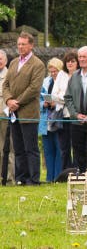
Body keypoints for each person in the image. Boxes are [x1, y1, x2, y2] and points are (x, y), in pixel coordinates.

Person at [3, 32, 46, 185]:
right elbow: (6, 84)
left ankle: (33, 179)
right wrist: (8, 100)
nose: (20, 47)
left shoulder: (38, 64)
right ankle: (21, 178)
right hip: (13, 113)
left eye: (23, 44)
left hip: (28, 112)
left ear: (31, 45)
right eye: (19, 44)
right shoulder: (14, 62)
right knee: (18, 148)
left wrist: (18, 102)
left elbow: (34, 88)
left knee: (31, 148)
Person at [41, 58, 68, 182]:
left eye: (55, 71)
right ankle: (49, 177)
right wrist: (44, 104)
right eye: (51, 71)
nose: (53, 74)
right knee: (48, 150)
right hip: (46, 118)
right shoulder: (46, 81)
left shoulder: (65, 80)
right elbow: (39, 97)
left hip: (58, 118)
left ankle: (57, 177)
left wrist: (54, 103)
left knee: (59, 149)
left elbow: (64, 98)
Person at [59, 51, 79, 171]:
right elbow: (55, 94)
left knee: (75, 145)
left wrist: (63, 97)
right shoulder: (62, 75)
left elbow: (74, 96)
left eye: (73, 61)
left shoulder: (79, 75)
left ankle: (77, 170)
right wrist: (65, 98)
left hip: (75, 115)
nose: (70, 63)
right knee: (64, 146)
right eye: (68, 61)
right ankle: (65, 171)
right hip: (62, 115)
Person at [0, 49, 13, 185]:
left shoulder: (10, 74)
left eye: (1, 59)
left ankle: (9, 178)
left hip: (6, 114)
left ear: (5, 60)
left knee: (8, 149)